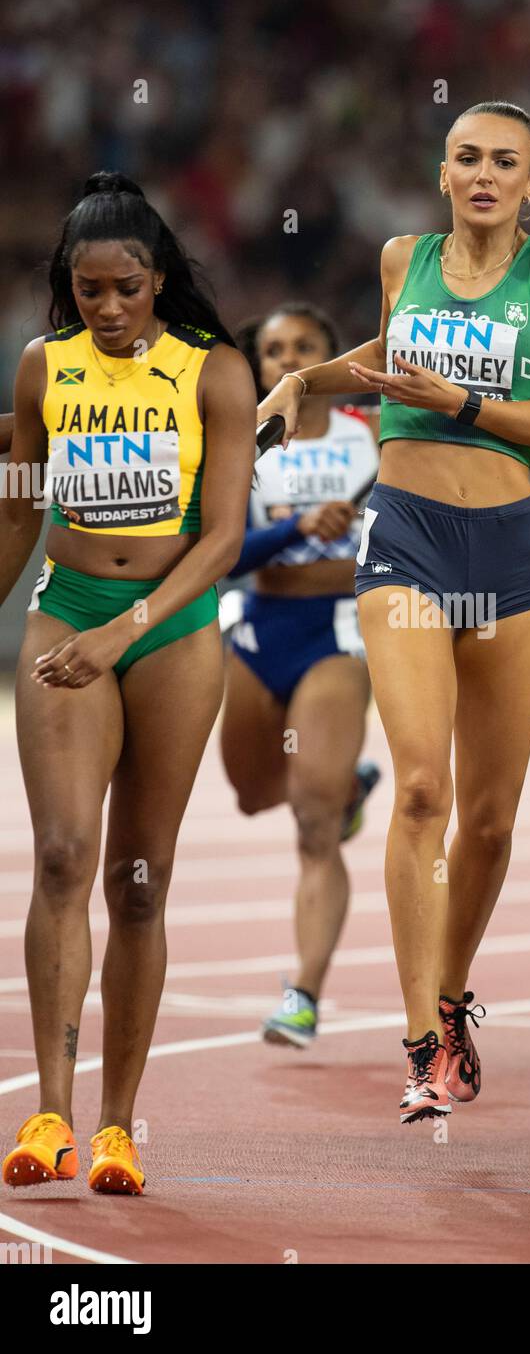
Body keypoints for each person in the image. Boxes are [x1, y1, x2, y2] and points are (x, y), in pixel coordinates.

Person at [257, 102, 530, 1122]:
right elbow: (386, 347)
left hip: (505, 548)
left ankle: (450, 1006)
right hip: (402, 535)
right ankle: (417, 1045)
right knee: (417, 789)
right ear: (442, 171)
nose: (483, 174)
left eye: (504, 162)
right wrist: (302, 382)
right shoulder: (405, 256)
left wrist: (458, 402)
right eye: (465, 158)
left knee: (488, 821)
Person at [0, 171, 255, 1191]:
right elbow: (19, 508)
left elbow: (224, 537)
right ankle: (51, 1113)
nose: (108, 309)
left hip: (176, 627)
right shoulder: (40, 369)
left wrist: (127, 635)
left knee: (136, 884)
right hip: (66, 613)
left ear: (160, 281)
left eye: (128, 288)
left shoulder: (214, 373)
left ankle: (117, 1124)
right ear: (67, 288)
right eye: (88, 290)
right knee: (62, 855)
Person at [220, 302, 382, 1047]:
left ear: (330, 358)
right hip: (256, 629)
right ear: (256, 365)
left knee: (312, 826)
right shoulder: (236, 445)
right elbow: (219, 556)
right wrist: (291, 528)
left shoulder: (371, 439)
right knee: (256, 795)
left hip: (337, 634)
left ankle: (304, 995)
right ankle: (348, 783)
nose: (288, 360)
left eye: (305, 347)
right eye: (274, 349)